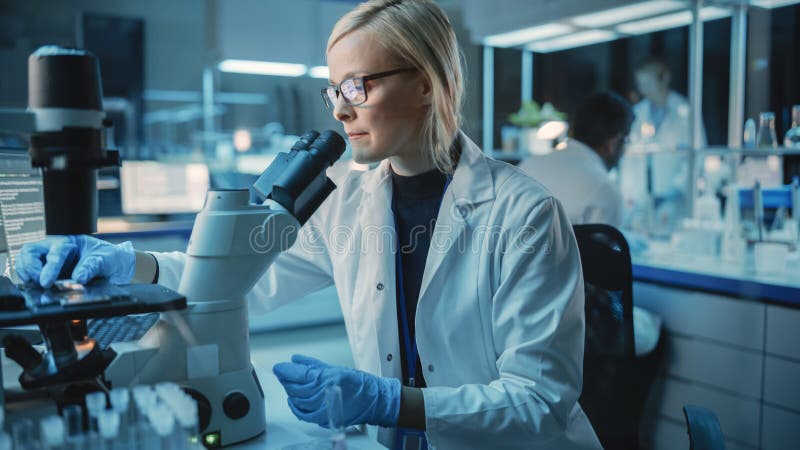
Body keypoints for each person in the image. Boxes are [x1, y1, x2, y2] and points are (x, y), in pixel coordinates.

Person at [16, 1, 601, 448]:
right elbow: (238, 281)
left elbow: (540, 402)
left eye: (358, 86)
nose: (341, 109)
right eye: (334, 90)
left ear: (426, 83)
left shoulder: (523, 213)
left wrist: (394, 403)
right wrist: (128, 263)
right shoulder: (348, 196)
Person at [518, 92, 660, 357]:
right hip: (574, 329)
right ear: (613, 142)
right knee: (652, 329)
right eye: (626, 141)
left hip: (518, 321)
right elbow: (602, 279)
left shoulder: (525, 168)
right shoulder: (604, 188)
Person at [625, 58, 707, 230]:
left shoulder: (685, 112)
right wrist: (628, 193)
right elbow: (629, 158)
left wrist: (674, 191)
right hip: (642, 200)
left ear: (664, 79)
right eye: (641, 83)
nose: (643, 88)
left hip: (675, 200)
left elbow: (696, 157)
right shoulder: (638, 113)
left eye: (648, 82)